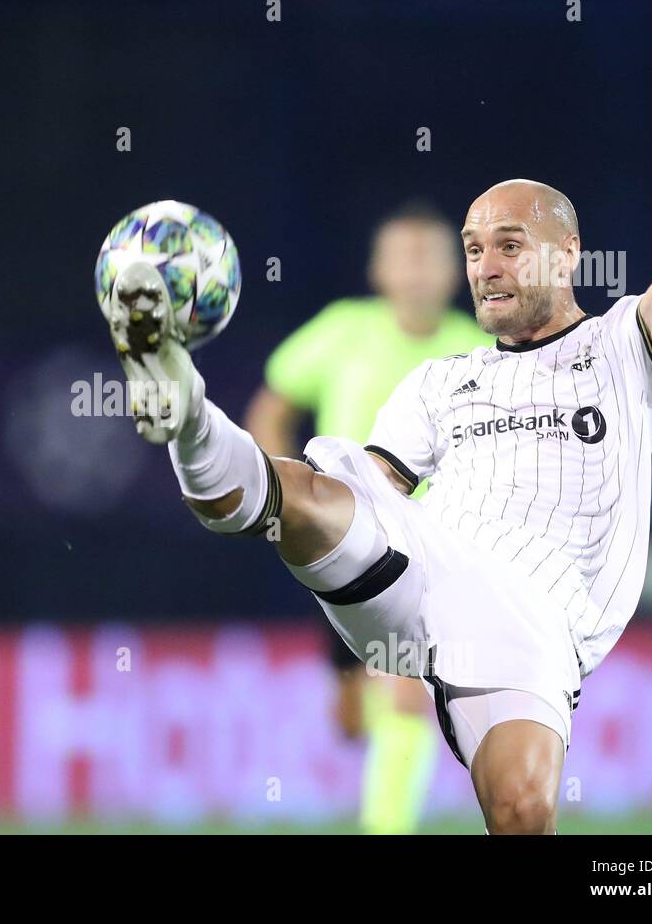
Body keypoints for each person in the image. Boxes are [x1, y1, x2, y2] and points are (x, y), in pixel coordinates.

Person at [106, 143, 652, 832]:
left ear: (568, 254)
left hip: (537, 622)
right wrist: (312, 525)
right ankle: (184, 405)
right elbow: (372, 493)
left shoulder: (621, 348)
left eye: (509, 246)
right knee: (308, 497)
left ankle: (194, 420)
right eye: (474, 249)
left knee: (522, 810)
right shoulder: (439, 379)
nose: (484, 267)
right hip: (427, 572)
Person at [245, 203, 491, 834]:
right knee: (355, 715)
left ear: (455, 270)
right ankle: (355, 697)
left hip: (429, 550)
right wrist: (281, 490)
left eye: (430, 257)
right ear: (378, 270)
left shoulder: (477, 350)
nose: (416, 271)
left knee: (407, 691)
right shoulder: (343, 330)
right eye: (403, 257)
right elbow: (273, 404)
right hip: (335, 538)